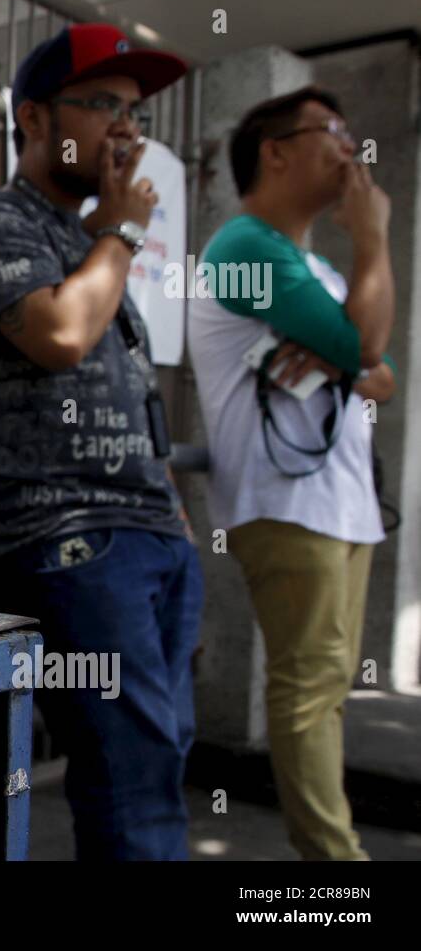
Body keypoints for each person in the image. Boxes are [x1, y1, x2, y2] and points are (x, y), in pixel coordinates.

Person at [0, 23, 200, 860]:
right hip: (69, 540)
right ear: (36, 118)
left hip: (152, 541)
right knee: (134, 779)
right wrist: (120, 232)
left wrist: (177, 524)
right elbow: (57, 334)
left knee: (153, 767)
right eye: (104, 106)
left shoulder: (92, 246)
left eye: (135, 113)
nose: (126, 131)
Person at [187, 86, 396, 860]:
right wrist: (373, 240)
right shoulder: (244, 246)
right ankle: (338, 869)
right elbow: (367, 352)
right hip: (287, 501)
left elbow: (382, 371)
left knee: (331, 686)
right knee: (309, 689)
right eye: (331, 132)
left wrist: (353, 354)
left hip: (342, 504)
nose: (350, 147)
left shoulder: (311, 267)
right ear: (275, 151)